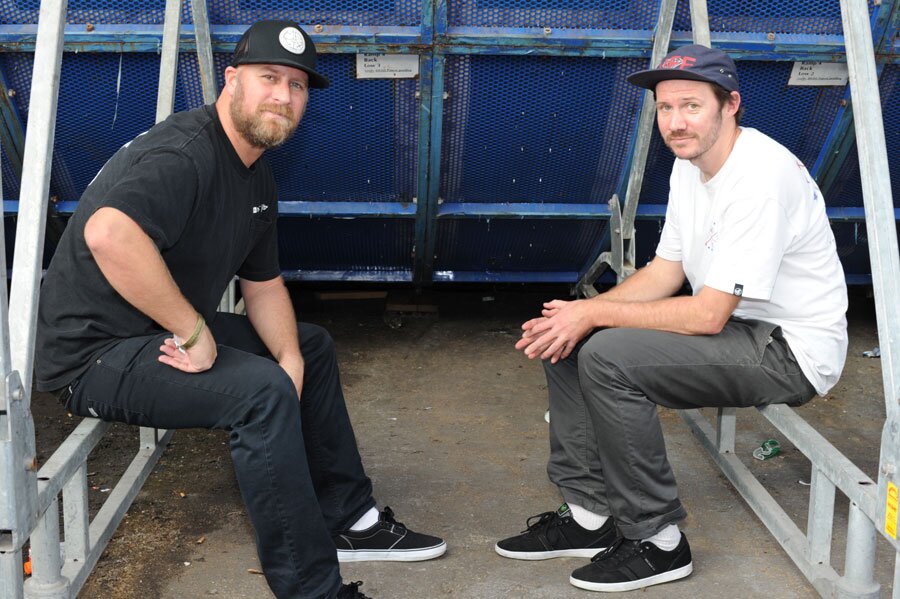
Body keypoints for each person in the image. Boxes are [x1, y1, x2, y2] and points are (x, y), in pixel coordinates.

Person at [34, 20, 446, 599]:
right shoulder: (185, 154)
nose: (284, 95)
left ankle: (350, 519)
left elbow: (264, 283)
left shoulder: (254, 172)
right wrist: (193, 330)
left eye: (297, 85)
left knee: (308, 348)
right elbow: (109, 235)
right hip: (93, 354)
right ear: (231, 80)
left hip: (149, 333)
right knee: (260, 395)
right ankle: (312, 590)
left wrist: (290, 359)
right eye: (269, 77)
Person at [494, 44, 848, 593]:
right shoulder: (690, 165)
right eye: (665, 108)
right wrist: (583, 315)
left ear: (731, 105)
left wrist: (596, 313)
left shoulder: (760, 177)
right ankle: (589, 515)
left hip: (789, 350)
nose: (676, 122)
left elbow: (707, 314)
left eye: (691, 106)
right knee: (570, 341)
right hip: (736, 327)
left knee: (608, 356)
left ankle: (658, 542)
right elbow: (666, 270)